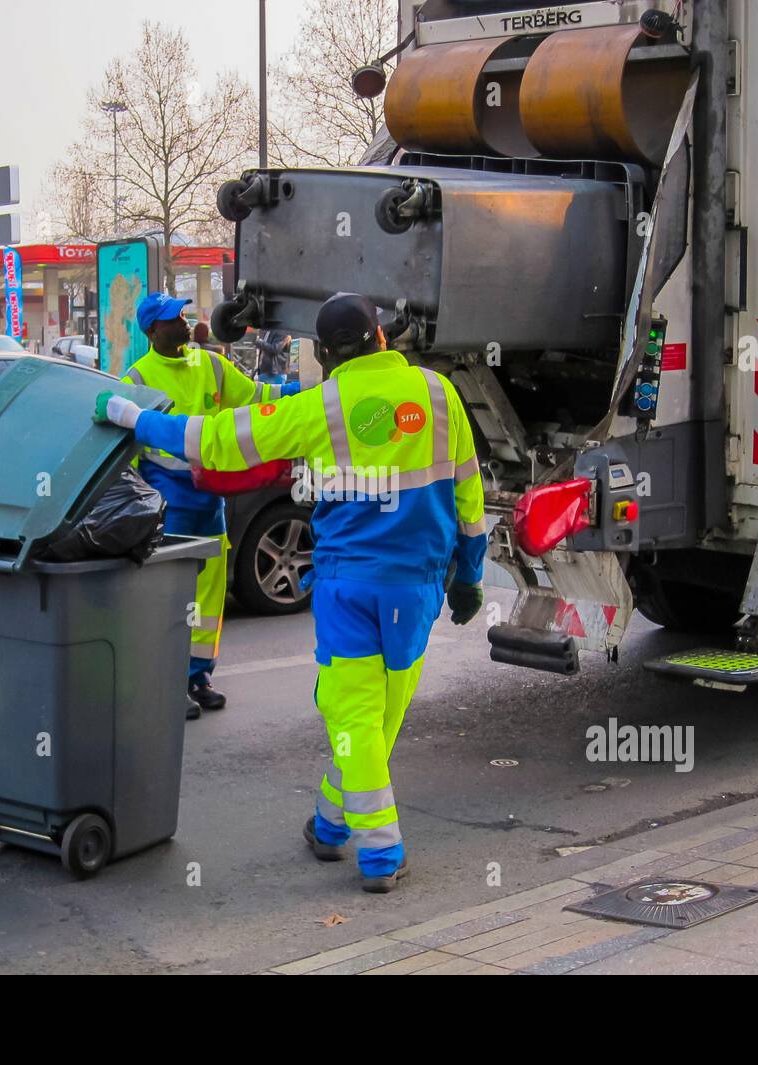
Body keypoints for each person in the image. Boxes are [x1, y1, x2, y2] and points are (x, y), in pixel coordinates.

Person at [94, 293, 487, 892]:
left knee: (354, 714)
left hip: (346, 584)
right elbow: (468, 489)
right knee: (381, 717)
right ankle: (331, 825)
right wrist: (471, 572)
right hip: (419, 583)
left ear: (326, 355)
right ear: (382, 340)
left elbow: (217, 439)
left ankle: (380, 850)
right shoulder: (439, 393)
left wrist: (132, 417)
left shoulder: (321, 405)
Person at [119, 292, 300, 719]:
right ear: (152, 331)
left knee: (209, 594)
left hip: (210, 499)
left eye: (182, 315)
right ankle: (168, 681)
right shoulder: (136, 382)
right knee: (171, 596)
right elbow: (128, 460)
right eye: (173, 319)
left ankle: (198, 675)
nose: (184, 323)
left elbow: (256, 396)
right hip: (169, 501)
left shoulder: (213, 364)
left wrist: (299, 392)